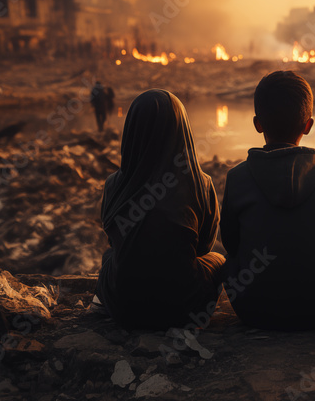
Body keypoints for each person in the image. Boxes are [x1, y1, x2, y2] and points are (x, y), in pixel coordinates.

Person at [220, 71, 315, 331]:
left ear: (258, 124)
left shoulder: (237, 177)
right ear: (308, 125)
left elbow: (231, 242)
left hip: (251, 308)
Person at [95, 89, 225, 329]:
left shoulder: (114, 183)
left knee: (109, 257)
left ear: (132, 130)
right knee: (217, 258)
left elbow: (114, 240)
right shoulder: (201, 183)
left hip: (125, 308)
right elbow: (204, 247)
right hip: (184, 308)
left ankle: (101, 301)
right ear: (182, 130)